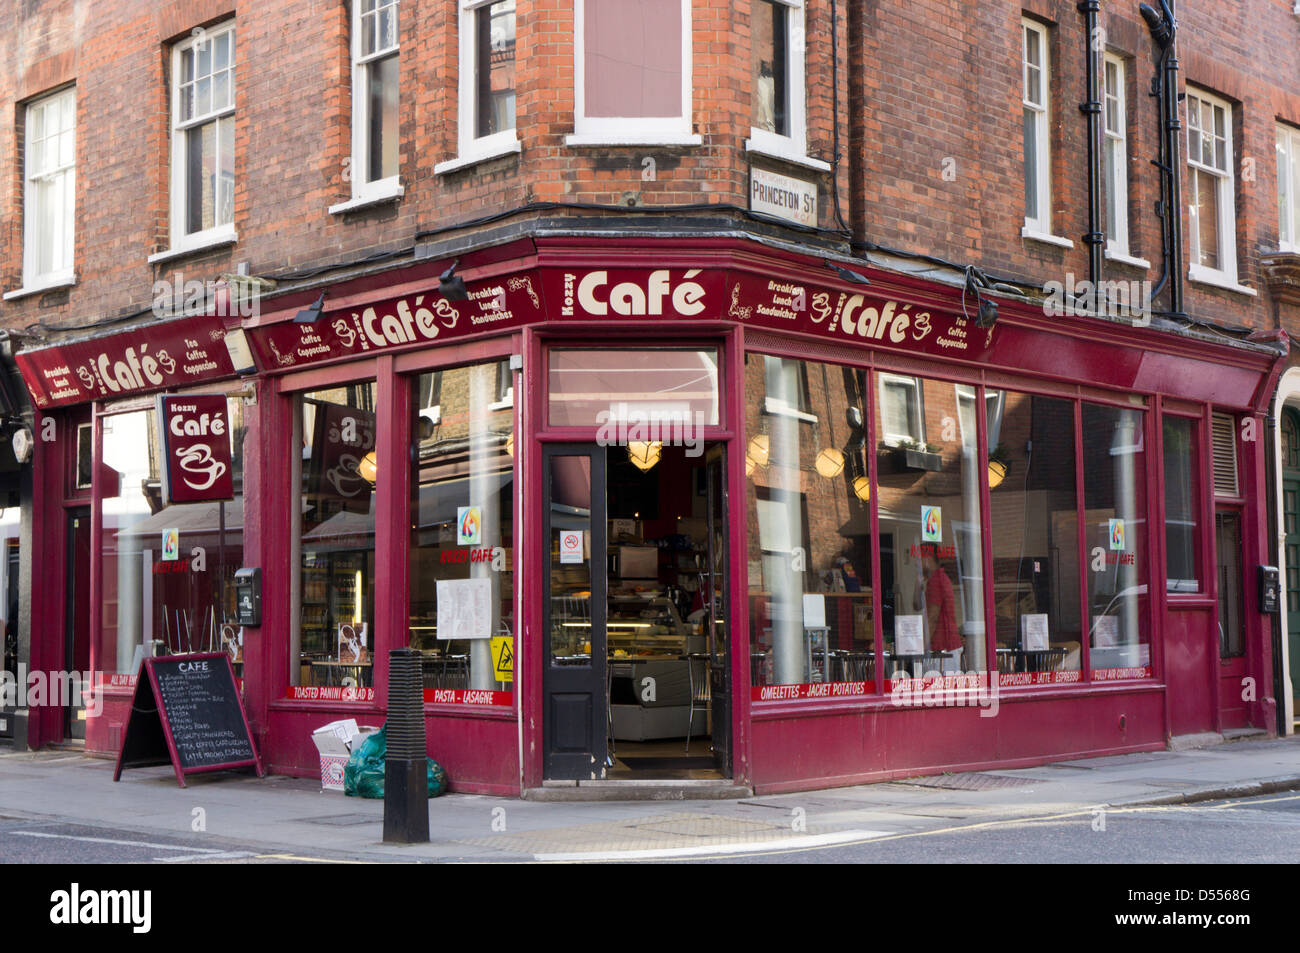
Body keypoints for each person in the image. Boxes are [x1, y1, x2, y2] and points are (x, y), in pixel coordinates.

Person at [913, 550, 961, 655]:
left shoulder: (936, 580)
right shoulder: (937, 578)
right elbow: (917, 606)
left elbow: (933, 617)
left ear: (928, 559)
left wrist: (921, 648)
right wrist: (918, 584)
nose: (916, 563)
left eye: (918, 559)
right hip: (944, 646)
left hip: (943, 647)